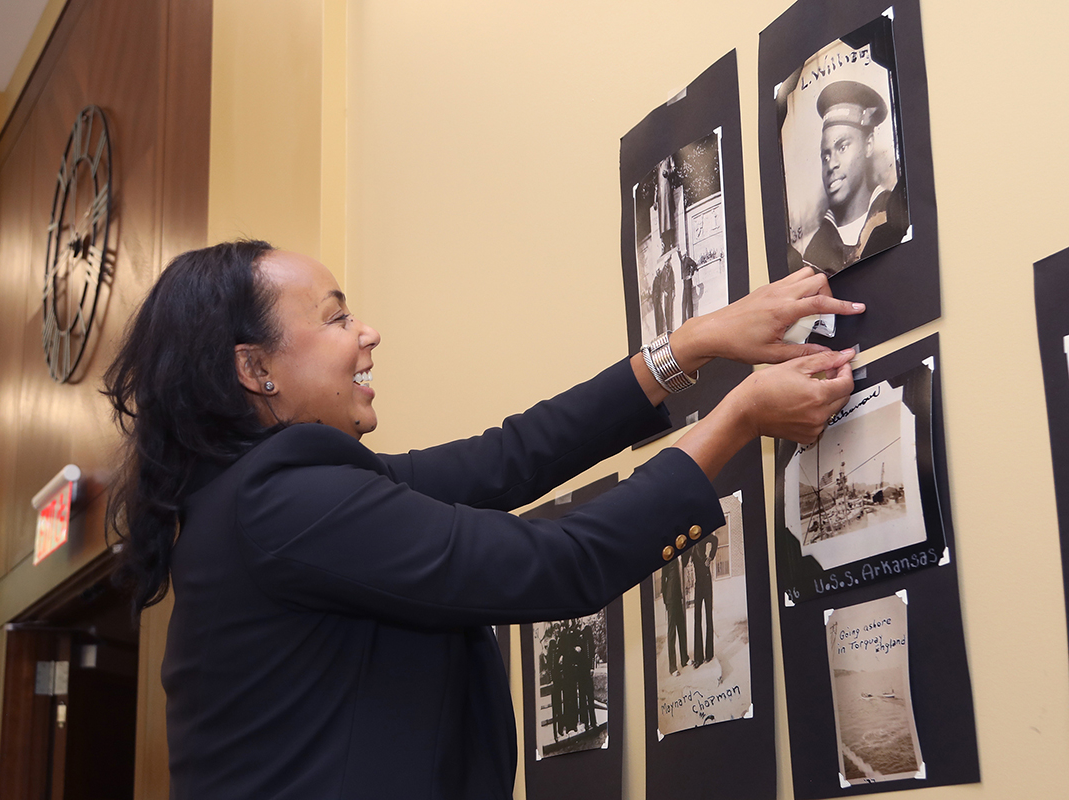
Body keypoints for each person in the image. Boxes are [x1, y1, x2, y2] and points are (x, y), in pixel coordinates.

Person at [103, 240, 862, 799]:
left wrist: (691, 345)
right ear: (255, 369)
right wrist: (738, 418)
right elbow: (558, 564)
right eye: (336, 318)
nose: (367, 333)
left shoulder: (269, 495)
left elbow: (508, 459)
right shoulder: (282, 505)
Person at [801, 80, 908, 275]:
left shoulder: (897, 214)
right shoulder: (813, 252)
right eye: (825, 156)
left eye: (842, 147)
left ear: (868, 145)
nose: (831, 164)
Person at [689, 532, 718, 667]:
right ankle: (698, 658)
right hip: (698, 584)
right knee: (697, 618)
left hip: (706, 579)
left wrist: (710, 557)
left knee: (708, 616)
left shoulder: (702, 535)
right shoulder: (689, 543)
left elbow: (715, 539)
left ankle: (709, 654)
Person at [660, 558, 688, 676]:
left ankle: (685, 659)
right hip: (671, 599)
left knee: (682, 628)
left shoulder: (680, 558)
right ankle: (672, 667)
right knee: (672, 633)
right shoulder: (668, 557)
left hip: (678, 597)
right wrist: (666, 601)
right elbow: (663, 579)